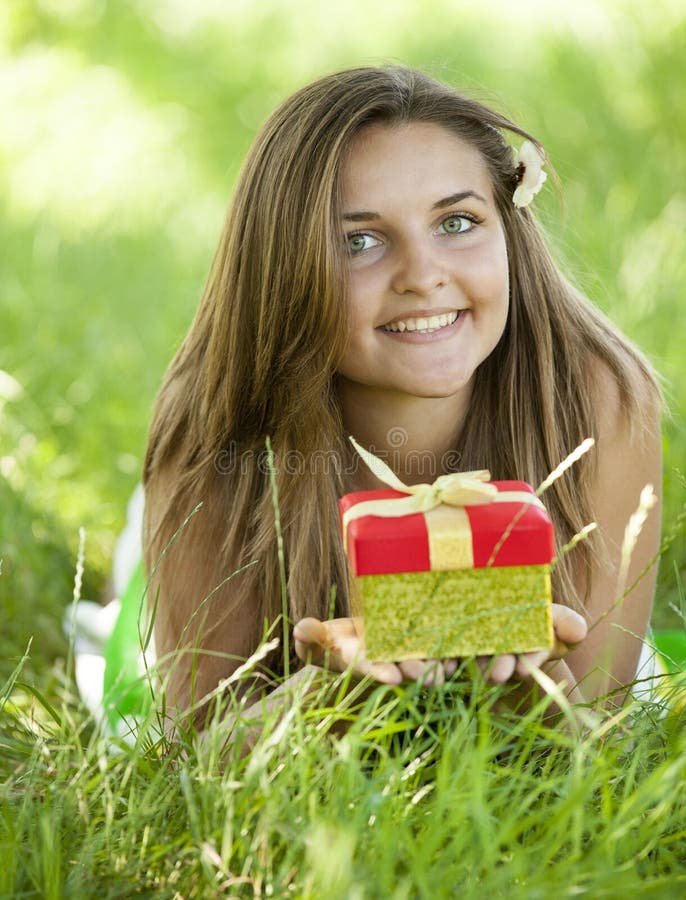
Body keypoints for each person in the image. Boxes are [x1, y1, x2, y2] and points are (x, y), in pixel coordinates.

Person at [142, 65, 662, 733]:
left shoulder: (596, 396)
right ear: (284, 265)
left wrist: (529, 675)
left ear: (509, 226)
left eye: (456, 221)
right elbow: (196, 754)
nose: (421, 276)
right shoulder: (215, 425)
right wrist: (338, 691)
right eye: (358, 241)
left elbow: (598, 742)